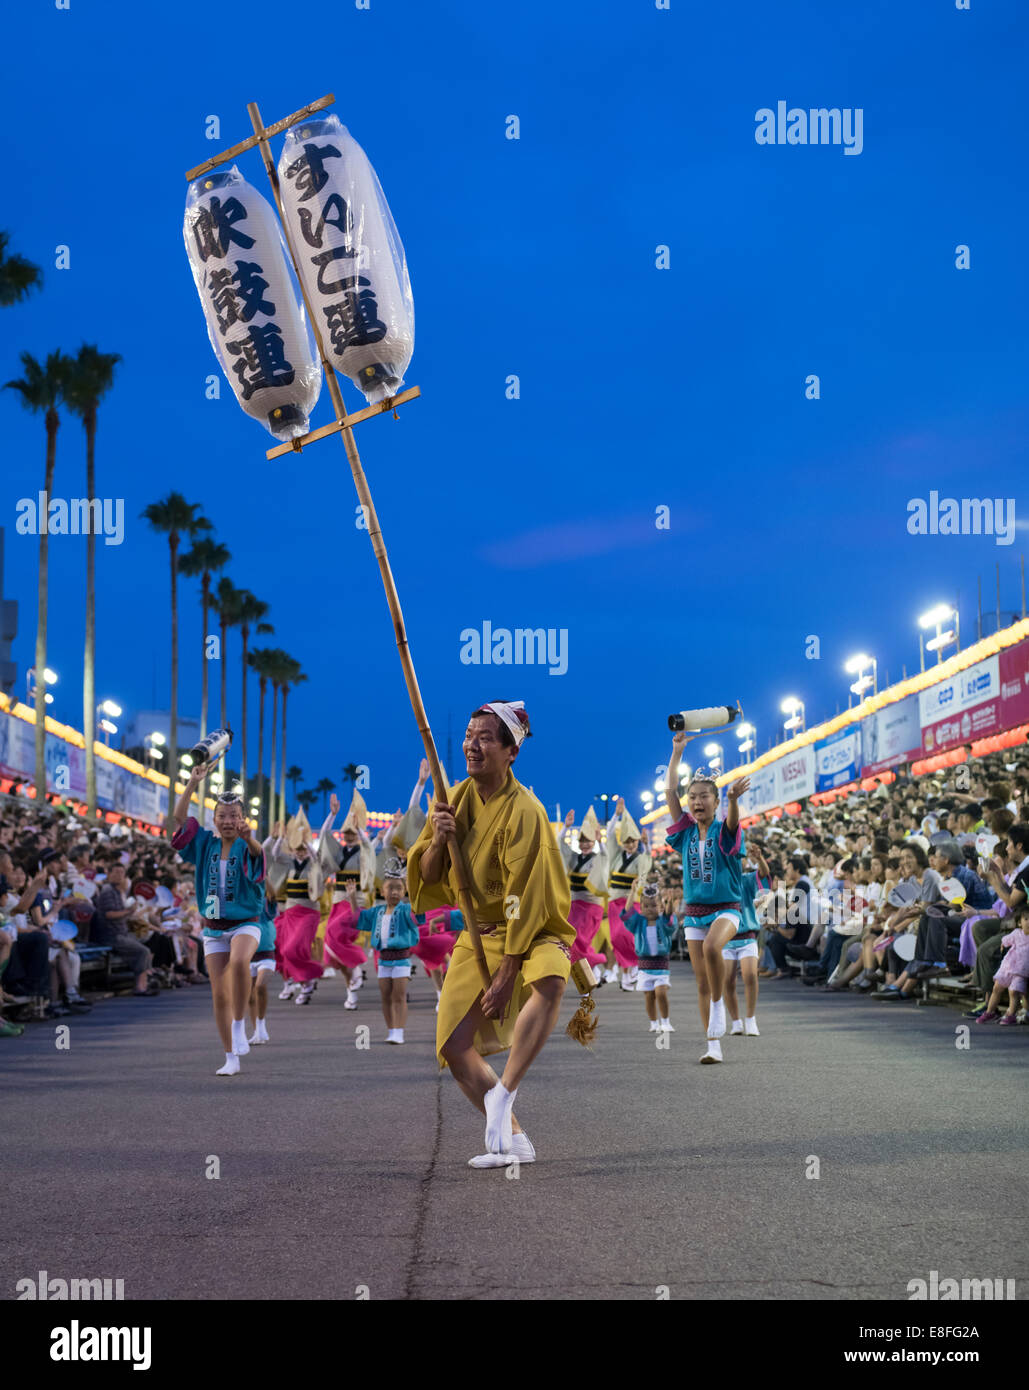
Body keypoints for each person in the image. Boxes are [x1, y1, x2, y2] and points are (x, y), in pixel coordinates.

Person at [407, 700, 576, 1169]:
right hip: (478, 933)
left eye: (484, 738)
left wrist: (508, 968)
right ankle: (515, 1139)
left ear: (511, 752)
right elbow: (427, 872)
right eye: (468, 735)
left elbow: (526, 894)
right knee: (453, 1047)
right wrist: (439, 838)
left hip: (533, 927)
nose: (471, 745)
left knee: (551, 980)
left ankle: (506, 1090)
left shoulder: (527, 811)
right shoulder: (452, 797)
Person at [172, 766, 267, 1076]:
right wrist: (192, 783)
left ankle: (240, 1024)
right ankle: (230, 1057)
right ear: (214, 820)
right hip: (214, 928)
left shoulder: (248, 843)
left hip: (246, 923)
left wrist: (250, 840)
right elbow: (179, 819)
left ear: (243, 819)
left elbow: (258, 857)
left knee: (241, 963)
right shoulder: (204, 843)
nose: (228, 821)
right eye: (223, 816)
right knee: (218, 993)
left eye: (234, 816)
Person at [664, 730, 750, 1065]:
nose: (698, 801)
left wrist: (732, 800)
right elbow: (669, 789)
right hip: (694, 912)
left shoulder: (725, 828)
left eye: (704, 796)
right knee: (702, 983)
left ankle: (719, 1008)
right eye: (693, 797)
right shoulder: (685, 831)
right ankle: (713, 1044)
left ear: (714, 801)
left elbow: (732, 822)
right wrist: (677, 753)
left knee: (714, 947)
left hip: (726, 909)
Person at [345, 859, 419, 1043]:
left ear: (403, 892)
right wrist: (352, 897)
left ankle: (399, 1031)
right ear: (382, 891)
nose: (394, 892)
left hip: (401, 958)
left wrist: (413, 889)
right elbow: (358, 918)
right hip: (383, 959)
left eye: (399, 889)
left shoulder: (405, 910)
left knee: (399, 995)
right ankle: (391, 1029)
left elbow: (418, 915)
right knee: (385, 996)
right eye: (390, 888)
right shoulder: (377, 911)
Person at [321, 792, 375, 1008]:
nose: (350, 836)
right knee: (332, 946)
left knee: (334, 934)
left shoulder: (364, 852)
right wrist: (333, 815)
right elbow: (324, 835)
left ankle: (356, 965)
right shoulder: (340, 852)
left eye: (353, 833)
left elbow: (368, 844)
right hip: (337, 900)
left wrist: (358, 824)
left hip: (356, 901)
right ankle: (351, 989)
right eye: (347, 833)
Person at [723, 842, 773, 1036]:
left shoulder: (746, 879)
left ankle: (750, 1019)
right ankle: (735, 1021)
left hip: (747, 936)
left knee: (750, 975)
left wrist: (759, 858)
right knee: (727, 981)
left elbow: (764, 873)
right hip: (726, 939)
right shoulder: (720, 883)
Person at [556, 805, 609, 978]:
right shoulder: (574, 857)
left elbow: (605, 857)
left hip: (592, 907)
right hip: (574, 905)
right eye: (582, 841)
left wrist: (601, 842)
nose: (585, 844)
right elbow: (558, 844)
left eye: (588, 841)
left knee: (580, 940)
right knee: (571, 939)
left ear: (593, 843)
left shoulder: (597, 859)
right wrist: (567, 827)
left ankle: (596, 961)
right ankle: (593, 972)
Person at [605, 798, 651, 990]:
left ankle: (634, 968)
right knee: (615, 938)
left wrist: (647, 847)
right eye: (627, 841)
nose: (630, 844)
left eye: (633, 841)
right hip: (614, 901)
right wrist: (617, 815)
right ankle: (627, 974)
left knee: (628, 936)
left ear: (637, 842)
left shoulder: (640, 857)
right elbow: (608, 836)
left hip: (631, 903)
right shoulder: (616, 855)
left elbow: (646, 869)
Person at [621, 882, 674, 1032]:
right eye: (646, 906)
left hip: (661, 964)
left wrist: (669, 902)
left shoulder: (662, 922)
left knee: (661, 992)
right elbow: (627, 912)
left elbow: (670, 917)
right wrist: (632, 892)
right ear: (641, 907)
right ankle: (653, 1023)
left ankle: (666, 1021)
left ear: (660, 907)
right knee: (649, 996)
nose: (650, 909)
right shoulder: (638, 922)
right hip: (644, 965)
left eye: (653, 905)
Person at [975, 906, 1029, 1024]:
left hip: (1021, 972)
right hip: (1008, 967)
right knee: (997, 988)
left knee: (1013, 992)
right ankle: (990, 1011)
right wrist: (1003, 944)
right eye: (1026, 919)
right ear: (1020, 923)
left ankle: (1011, 1015)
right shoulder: (1016, 933)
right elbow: (1006, 940)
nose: (1028, 922)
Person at [247, 881, 279, 1046]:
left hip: (266, 954)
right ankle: (257, 1031)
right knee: (249, 997)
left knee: (260, 986)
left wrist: (264, 877)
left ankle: (261, 1024)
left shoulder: (266, 905)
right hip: (247, 954)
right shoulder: (243, 906)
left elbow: (273, 896)